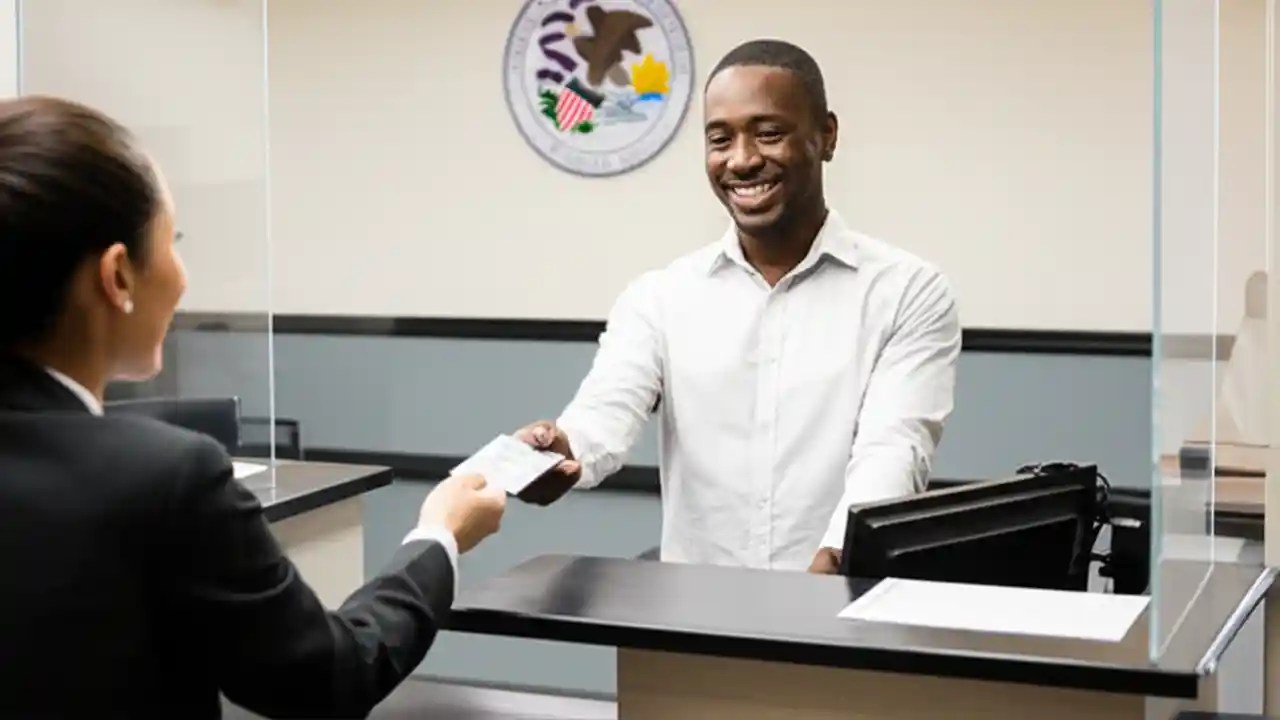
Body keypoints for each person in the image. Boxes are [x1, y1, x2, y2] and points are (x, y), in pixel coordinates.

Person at [0, 95, 506, 718]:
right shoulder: (166, 479)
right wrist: (440, 536)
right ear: (118, 275)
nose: (183, 276)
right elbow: (331, 676)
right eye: (173, 241)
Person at [516, 39, 961, 574]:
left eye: (769, 133)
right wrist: (558, 451)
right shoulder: (660, 297)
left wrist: (834, 563)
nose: (743, 160)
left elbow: (894, 452)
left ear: (827, 135)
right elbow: (601, 418)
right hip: (694, 624)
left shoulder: (909, 292)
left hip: (841, 615)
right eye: (719, 139)